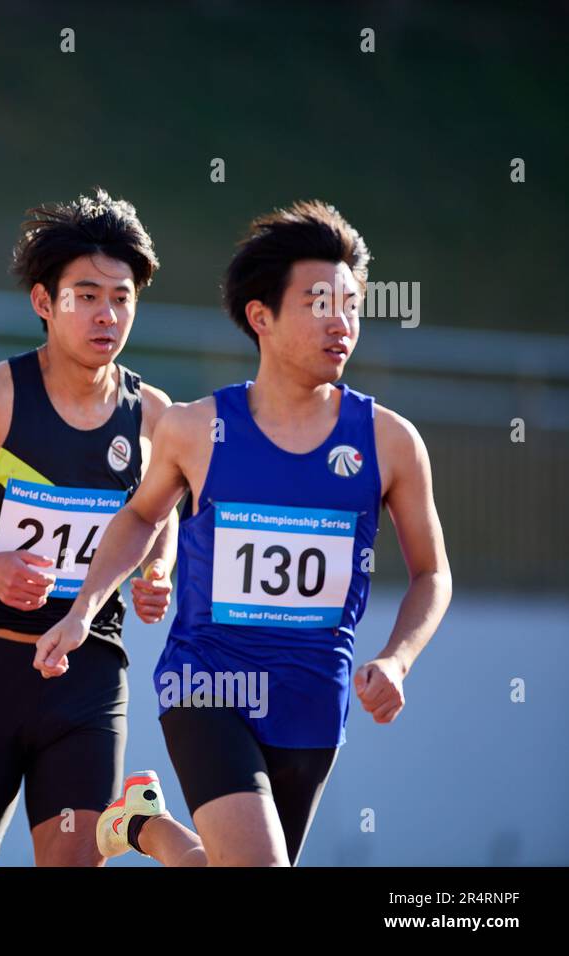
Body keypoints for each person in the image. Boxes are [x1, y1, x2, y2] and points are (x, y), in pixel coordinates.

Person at [37, 200, 452, 866]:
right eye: (319, 303)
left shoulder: (390, 441)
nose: (341, 322)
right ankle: (149, 827)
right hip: (208, 685)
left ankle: (146, 828)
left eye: (351, 305)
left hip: (315, 701)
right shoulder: (197, 429)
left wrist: (399, 657)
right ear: (261, 317)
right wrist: (86, 607)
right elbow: (142, 515)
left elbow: (432, 572)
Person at [0, 189, 204, 867]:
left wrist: (157, 570)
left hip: (89, 674)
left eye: (122, 297)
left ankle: (138, 818)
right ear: (44, 303)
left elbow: (157, 511)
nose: (107, 314)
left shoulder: (152, 415)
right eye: (86, 296)